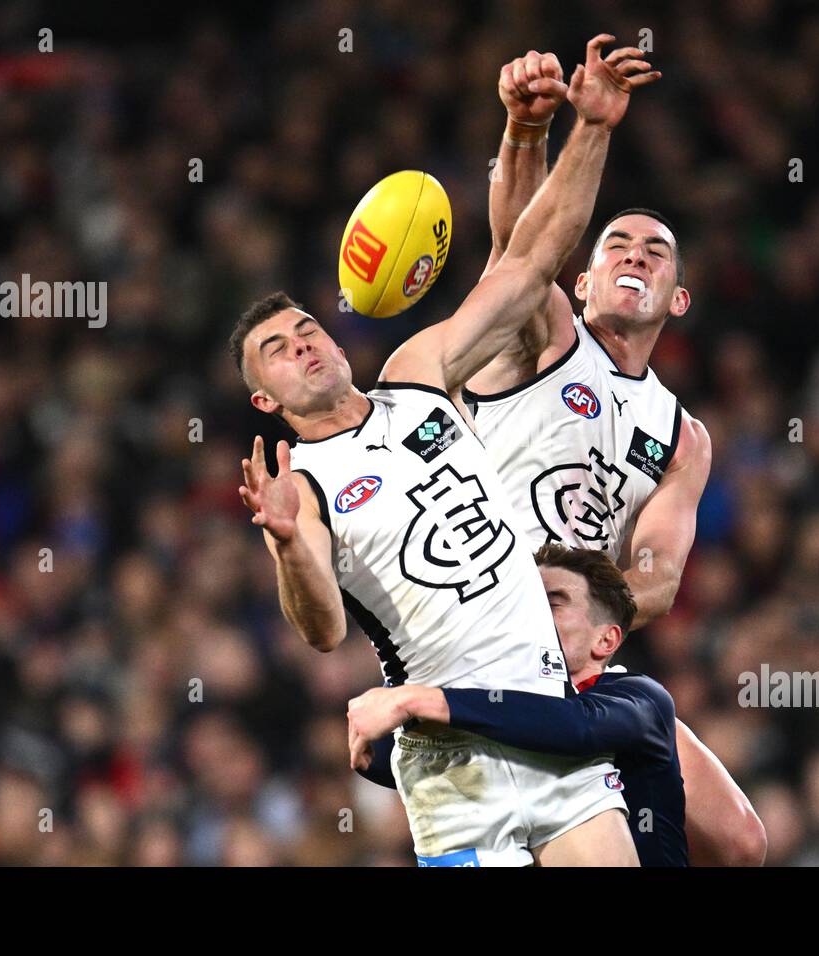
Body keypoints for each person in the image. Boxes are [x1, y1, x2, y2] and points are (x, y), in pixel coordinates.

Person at [232, 35, 659, 867]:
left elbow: (532, 262)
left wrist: (591, 126)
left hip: (545, 710)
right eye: (279, 350)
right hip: (448, 754)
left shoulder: (418, 376)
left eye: (309, 328)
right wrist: (286, 545)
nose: (305, 346)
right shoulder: (305, 487)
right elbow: (321, 629)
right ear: (266, 400)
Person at [461, 49, 765, 866]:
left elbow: (660, 576)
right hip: (484, 630)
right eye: (616, 246)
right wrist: (529, 128)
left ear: (680, 298)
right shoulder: (547, 335)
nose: (635, 254)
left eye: (656, 250)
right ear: (585, 282)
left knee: (738, 843)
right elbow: (521, 243)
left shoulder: (683, 436)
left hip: (584, 649)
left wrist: (583, 612)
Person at [349, 543, 689, 865]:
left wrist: (419, 699)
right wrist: (400, 694)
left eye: (553, 603)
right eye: (524, 604)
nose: (530, 617)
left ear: (605, 639)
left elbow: (574, 726)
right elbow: (383, 761)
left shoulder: (642, 699)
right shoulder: (500, 711)